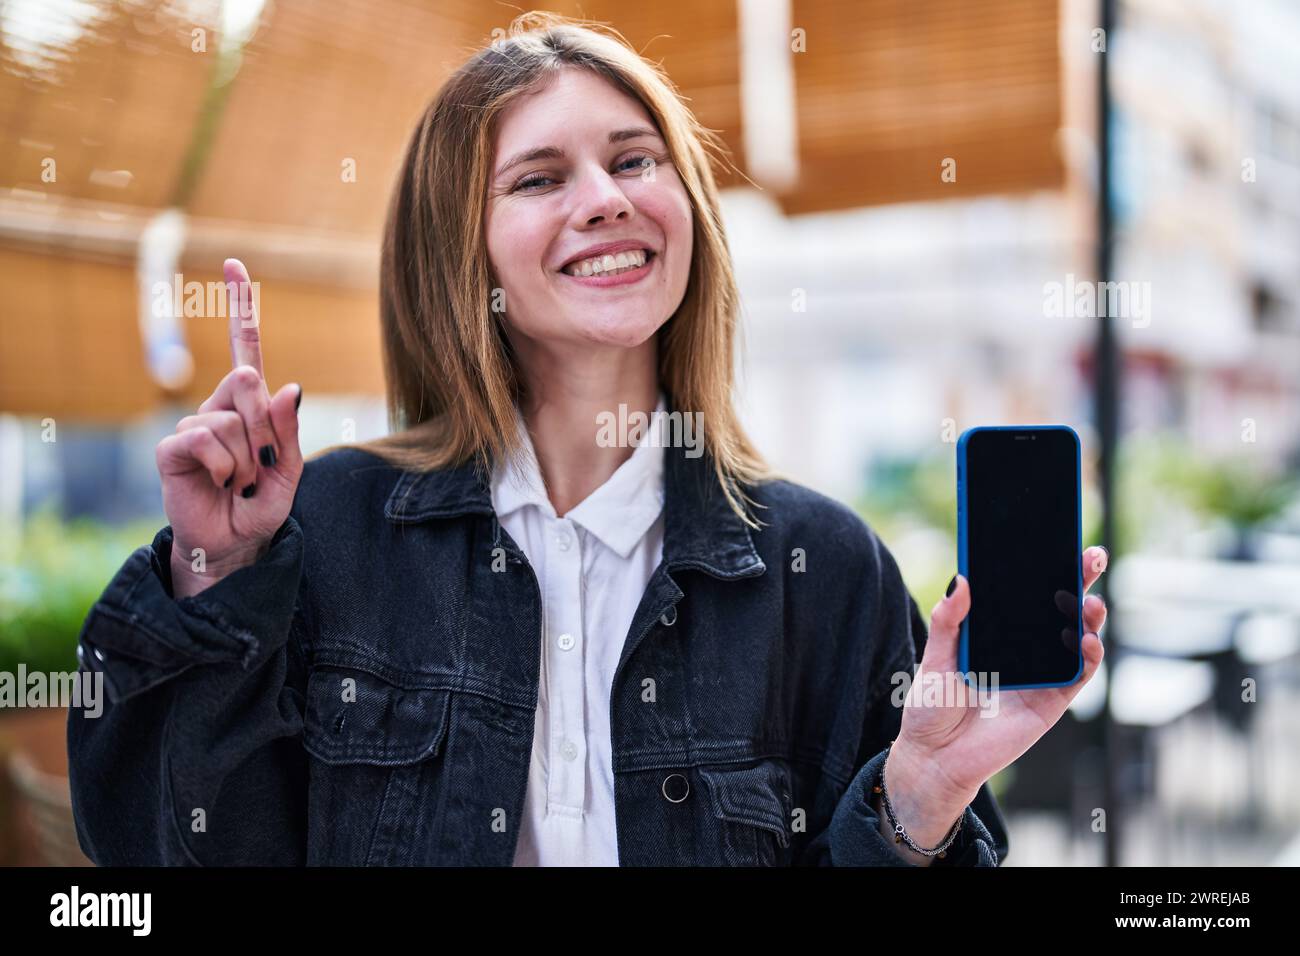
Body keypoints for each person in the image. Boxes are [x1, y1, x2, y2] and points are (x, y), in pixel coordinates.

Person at [67, 12, 1108, 867]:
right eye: (537, 178)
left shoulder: (825, 570)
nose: (606, 201)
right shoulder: (325, 531)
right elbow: (160, 854)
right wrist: (216, 575)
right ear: (456, 252)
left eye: (633, 159)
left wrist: (914, 801)